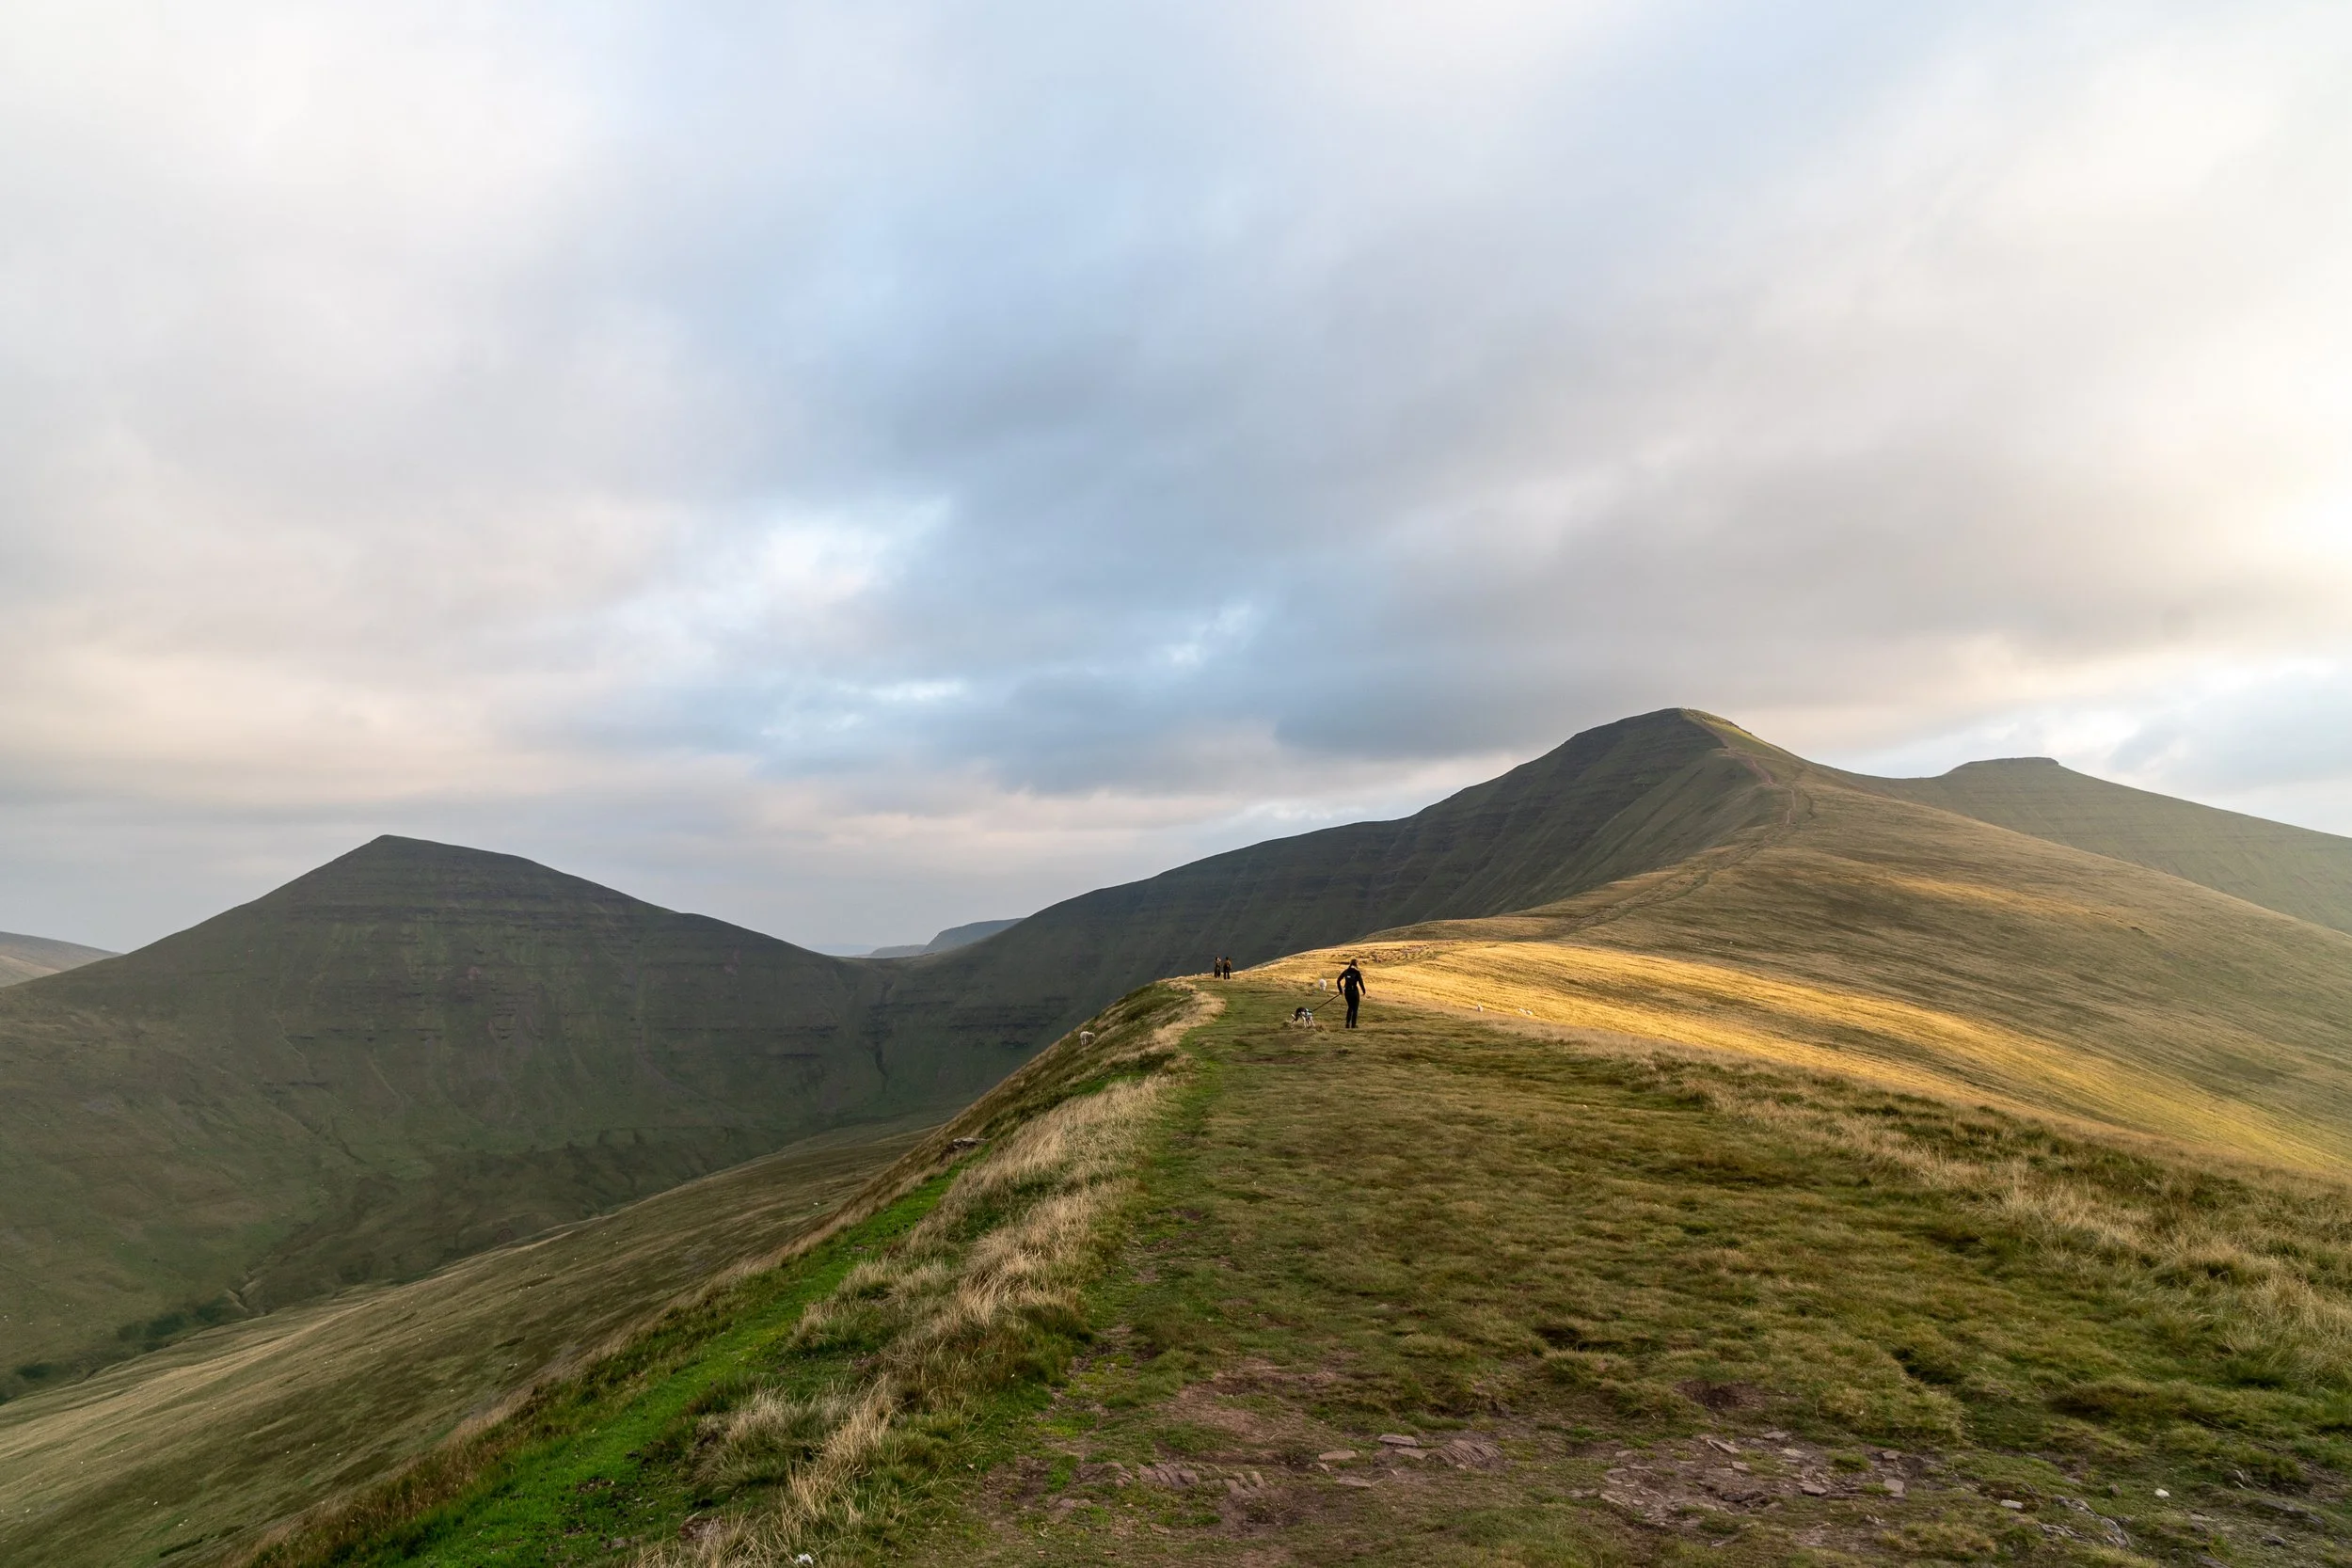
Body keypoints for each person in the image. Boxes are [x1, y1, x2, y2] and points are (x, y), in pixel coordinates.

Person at [1336, 958, 1366, 1028]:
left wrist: (1340, 990)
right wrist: (1364, 991)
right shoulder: (1357, 972)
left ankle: (1347, 1023)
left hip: (1347, 992)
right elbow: (1361, 983)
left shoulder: (1346, 971)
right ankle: (1353, 1025)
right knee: (1355, 1008)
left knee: (1350, 1007)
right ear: (1356, 964)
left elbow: (1338, 980)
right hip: (1354, 991)